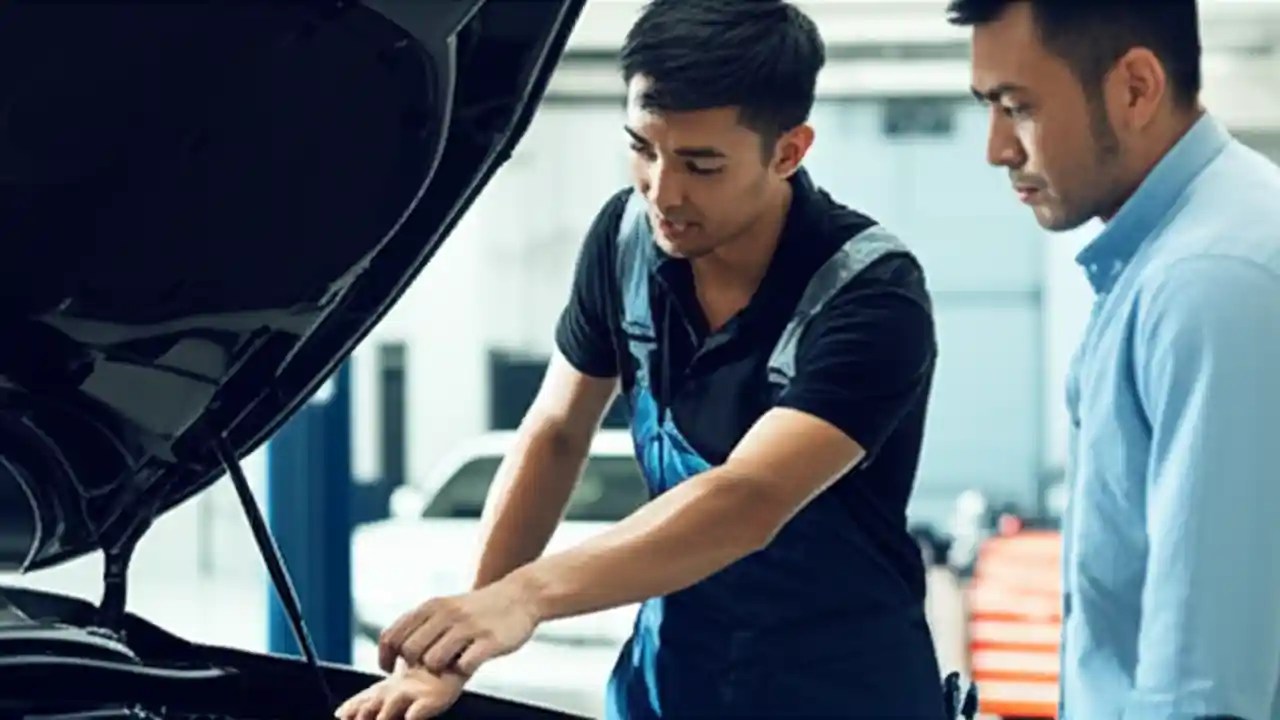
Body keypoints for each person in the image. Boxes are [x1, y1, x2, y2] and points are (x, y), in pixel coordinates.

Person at [336, 1, 948, 719]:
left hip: (841, 696)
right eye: (643, 149)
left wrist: (525, 596)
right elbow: (556, 432)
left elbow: (748, 500)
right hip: (669, 689)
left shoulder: (872, 297)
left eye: (702, 164)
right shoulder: (625, 240)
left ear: (788, 151)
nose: (663, 191)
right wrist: (459, 639)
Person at [947, 0, 1280, 718]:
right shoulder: (1172, 254)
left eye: (1018, 108)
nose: (998, 148)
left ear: (1135, 88)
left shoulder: (1210, 279)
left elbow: (1205, 688)